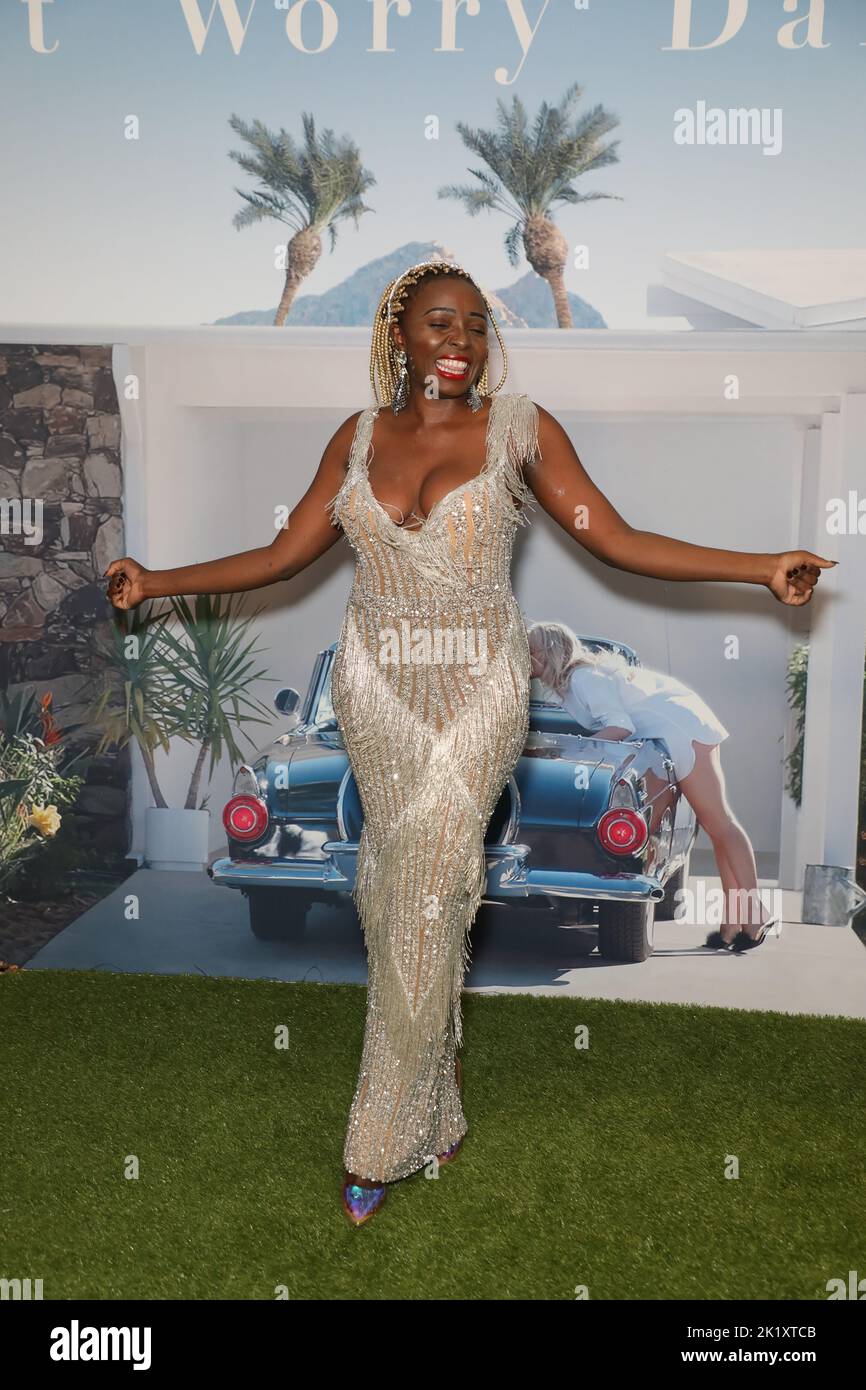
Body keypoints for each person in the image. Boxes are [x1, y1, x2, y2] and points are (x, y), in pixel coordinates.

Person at [104, 258, 835, 1228]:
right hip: (375, 685)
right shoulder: (356, 438)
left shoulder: (518, 429)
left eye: (477, 327)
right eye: (440, 324)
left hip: (476, 690)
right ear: (397, 334)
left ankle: (376, 1139)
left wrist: (756, 567)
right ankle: (438, 1105)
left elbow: (612, 536)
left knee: (430, 883)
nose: (460, 342)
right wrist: (153, 582)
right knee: (388, 892)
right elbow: (282, 556)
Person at [527, 619, 776, 952]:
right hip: (672, 727)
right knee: (716, 828)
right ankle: (732, 926)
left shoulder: (585, 678)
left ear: (547, 652)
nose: (523, 657)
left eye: (528, 651)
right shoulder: (574, 683)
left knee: (721, 823)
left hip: (681, 727)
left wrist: (577, 749)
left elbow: (620, 726)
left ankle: (755, 914)